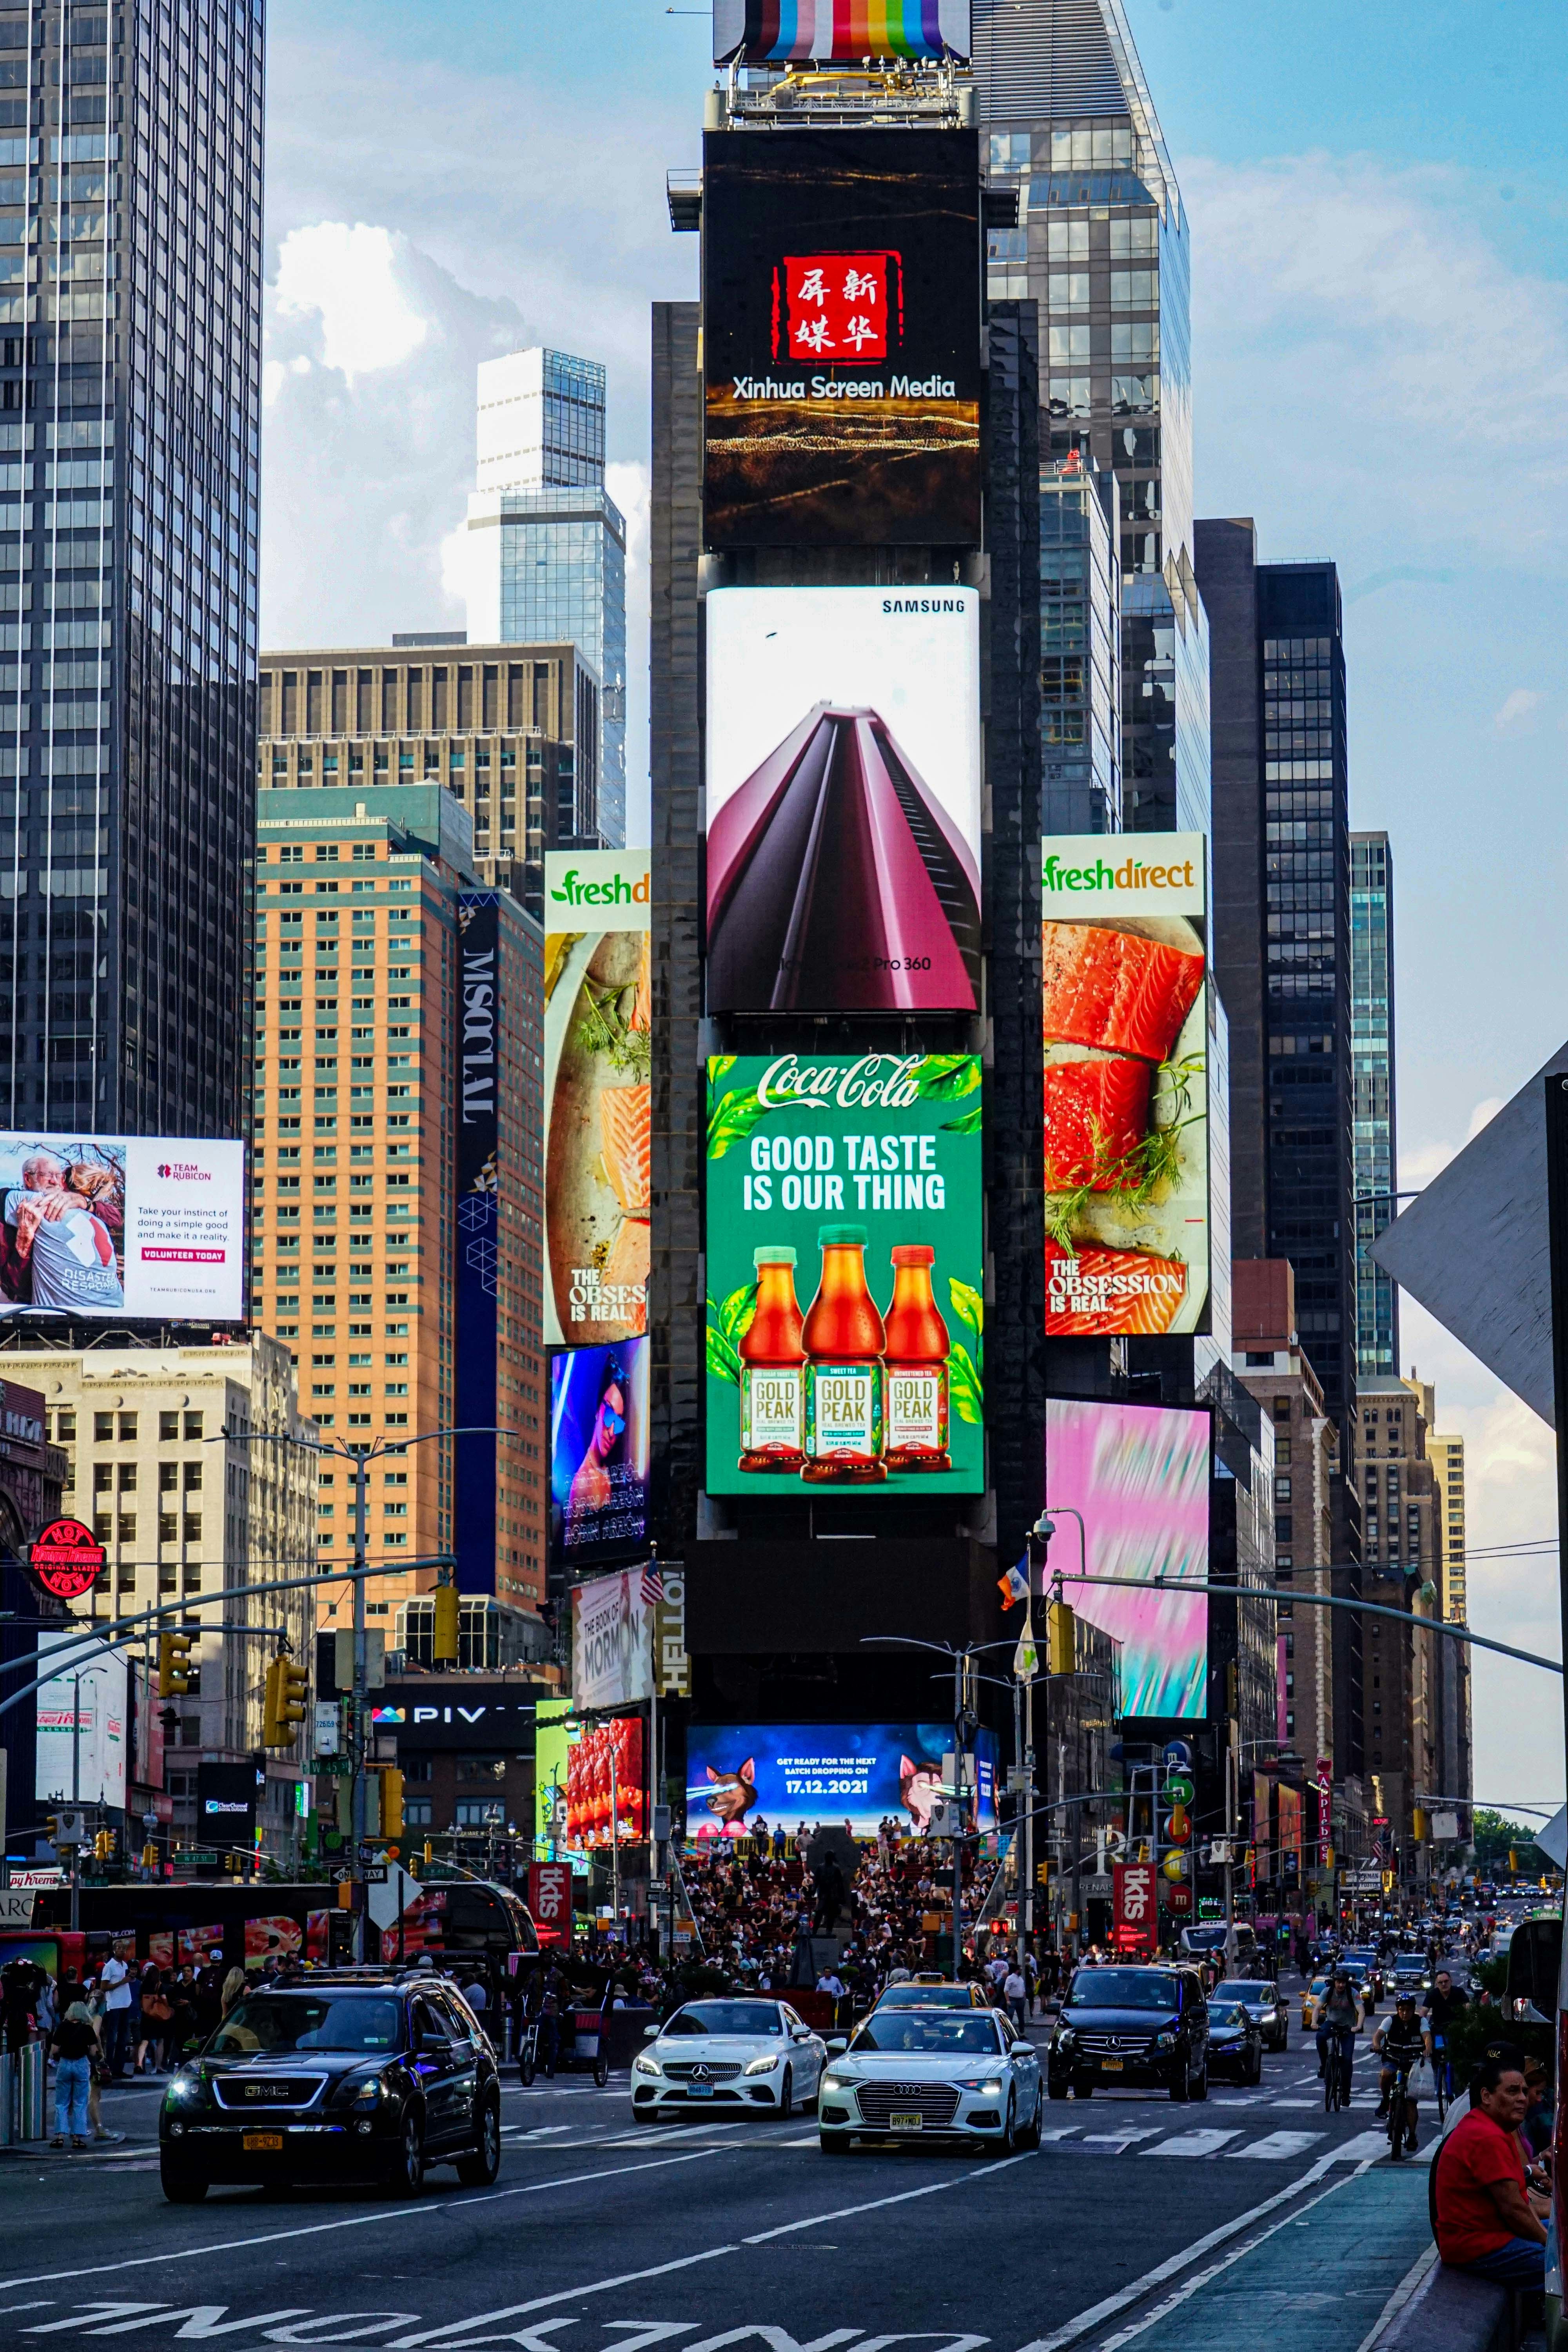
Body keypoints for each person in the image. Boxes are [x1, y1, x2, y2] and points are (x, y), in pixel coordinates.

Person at [1434, 2053, 1548, 2288]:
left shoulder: (1492, 2129)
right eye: (1512, 2091)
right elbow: (1515, 2210)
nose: (1522, 2099)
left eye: (1525, 2092)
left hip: (1493, 2237)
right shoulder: (1486, 2136)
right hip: (1480, 2249)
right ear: (1486, 2096)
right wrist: (1553, 2248)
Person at [1374, 1992, 1427, 2149]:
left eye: (1409, 2010)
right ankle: (1385, 2101)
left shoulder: (1421, 2021)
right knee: (1386, 2074)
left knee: (1411, 2101)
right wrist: (1377, 2045)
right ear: (1397, 2010)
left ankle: (1412, 2135)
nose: (1405, 2013)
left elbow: (1427, 2037)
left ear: (1414, 2010)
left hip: (1412, 2063)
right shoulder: (1390, 2020)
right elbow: (1379, 2034)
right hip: (1393, 2059)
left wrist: (1428, 2049)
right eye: (1402, 2010)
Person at [50, 2001, 99, 2149]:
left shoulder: (62, 2027)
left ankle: (60, 2137)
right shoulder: (87, 2029)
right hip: (81, 2065)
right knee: (80, 2102)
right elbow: (93, 2051)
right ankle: (77, 2138)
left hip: (65, 2064)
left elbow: (54, 2050)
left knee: (62, 2102)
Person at [1314, 1969, 1362, 2095]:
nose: (1341, 1985)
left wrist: (1358, 2026)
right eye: (1338, 1982)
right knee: (1320, 2037)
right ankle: (1325, 2065)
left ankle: (1346, 2092)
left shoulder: (1353, 1993)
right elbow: (1317, 2008)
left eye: (1343, 1983)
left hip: (1348, 2027)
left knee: (1347, 2059)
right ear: (1334, 1982)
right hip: (1331, 2023)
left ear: (1347, 1983)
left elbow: (1361, 2012)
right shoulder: (1327, 1992)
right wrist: (1314, 2023)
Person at [1423, 1967, 1468, 2103]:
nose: (1444, 1984)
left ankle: (1459, 2087)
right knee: (1437, 2055)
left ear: (1451, 1981)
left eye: (1446, 1981)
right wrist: (1422, 2027)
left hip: (1456, 2029)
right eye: (1440, 1982)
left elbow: (1468, 2006)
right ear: (1437, 1984)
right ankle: (1439, 2076)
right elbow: (1423, 2013)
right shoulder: (1432, 1994)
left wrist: (1467, 2020)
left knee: (1458, 2057)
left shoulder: (1459, 1992)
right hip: (1438, 2029)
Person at [99, 1951, 132, 2079]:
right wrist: (122, 1982)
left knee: (123, 2039)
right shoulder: (109, 1966)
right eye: (118, 1948)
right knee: (112, 2038)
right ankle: (110, 2068)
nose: (122, 1950)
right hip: (114, 2006)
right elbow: (104, 1987)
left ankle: (119, 2068)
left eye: (123, 1948)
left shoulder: (125, 1965)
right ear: (114, 1950)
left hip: (125, 2004)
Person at [1004, 1961, 1027, 2031]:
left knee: (1021, 2018)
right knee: (1010, 2015)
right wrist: (1008, 2000)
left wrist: (1024, 1998)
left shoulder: (1021, 1979)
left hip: (1021, 2000)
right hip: (1013, 2000)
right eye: (1020, 1970)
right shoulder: (1010, 1978)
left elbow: (1023, 1989)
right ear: (1017, 1970)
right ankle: (1009, 2031)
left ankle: (1022, 2032)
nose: (1021, 1971)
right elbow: (1006, 1990)